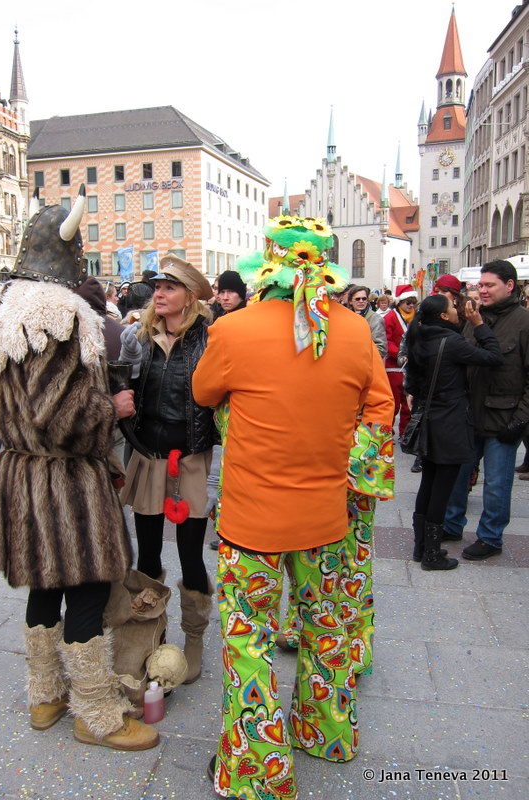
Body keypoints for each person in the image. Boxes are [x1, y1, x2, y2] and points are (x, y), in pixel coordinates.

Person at [192, 215, 395, 800]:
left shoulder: (234, 330)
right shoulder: (356, 331)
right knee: (326, 629)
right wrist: (349, 466)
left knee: (248, 638)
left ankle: (258, 770)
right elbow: (380, 410)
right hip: (328, 518)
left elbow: (204, 393)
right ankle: (326, 734)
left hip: (252, 521)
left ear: (269, 263)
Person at [0, 191, 159, 751]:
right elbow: (59, 416)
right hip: (64, 482)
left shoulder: (5, 307)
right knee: (83, 587)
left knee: (42, 584)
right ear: (69, 252)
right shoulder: (59, 315)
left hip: (20, 476)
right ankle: (95, 711)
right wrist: (113, 408)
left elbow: (14, 409)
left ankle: (45, 695)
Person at [120, 254, 216, 684]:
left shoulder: (210, 340)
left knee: (192, 553)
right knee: (149, 553)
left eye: (169, 287)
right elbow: (121, 388)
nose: (158, 293)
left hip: (190, 460)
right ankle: (149, 632)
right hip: (147, 455)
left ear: (190, 296)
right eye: (157, 286)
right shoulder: (137, 337)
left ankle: (193, 636)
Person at [405, 294, 503, 570]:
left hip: (429, 422)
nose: (458, 309)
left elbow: (411, 384)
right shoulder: (452, 343)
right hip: (450, 423)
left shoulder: (420, 338)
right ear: (444, 317)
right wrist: (480, 324)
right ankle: (433, 555)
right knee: (442, 489)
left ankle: (420, 547)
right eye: (452, 307)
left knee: (428, 483)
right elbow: (494, 357)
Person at [442, 260, 529, 559]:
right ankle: (452, 525)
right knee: (457, 476)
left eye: (489, 285)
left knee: (496, 484)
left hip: (503, 417)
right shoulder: (472, 317)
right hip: (468, 415)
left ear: (509, 285)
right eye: (481, 285)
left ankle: (490, 538)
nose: (483, 290)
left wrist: (520, 419)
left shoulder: (524, 322)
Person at [384, 284, 418, 439]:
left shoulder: (416, 318)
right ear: (400, 303)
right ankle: (387, 431)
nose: (410, 306)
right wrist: (398, 354)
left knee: (408, 403)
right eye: (407, 303)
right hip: (394, 367)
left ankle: (405, 432)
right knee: (394, 402)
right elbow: (387, 340)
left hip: (412, 366)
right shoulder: (390, 317)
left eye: (413, 303)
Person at [347, 285, 387, 357]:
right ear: (350, 301)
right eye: (357, 299)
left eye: (364, 299)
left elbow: (381, 349)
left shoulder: (376, 319)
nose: (361, 301)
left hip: (367, 363)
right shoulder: (346, 318)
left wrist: (359, 357)